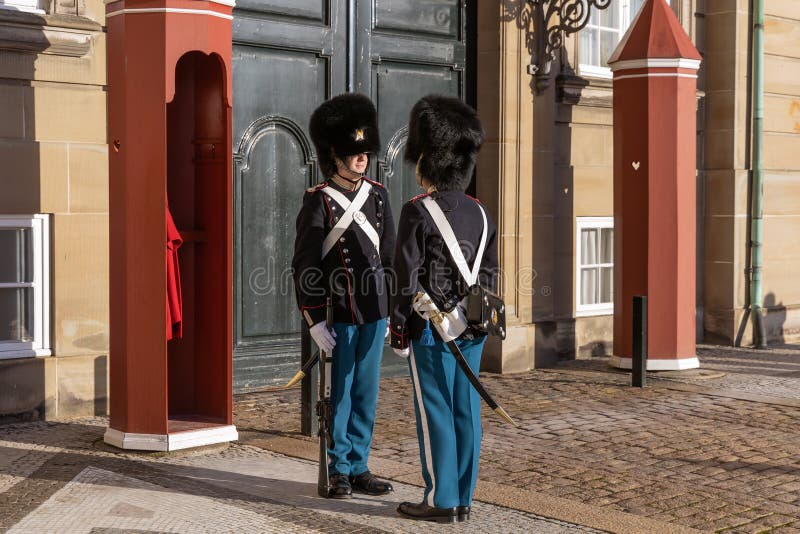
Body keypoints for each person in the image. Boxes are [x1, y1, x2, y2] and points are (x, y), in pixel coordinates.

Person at [389, 95, 498, 523]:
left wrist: (399, 329)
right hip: (470, 328)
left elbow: (405, 276)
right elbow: (488, 275)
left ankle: (440, 499)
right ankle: (464, 496)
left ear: (429, 163)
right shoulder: (482, 213)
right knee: (466, 413)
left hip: (431, 330)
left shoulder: (418, 212)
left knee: (435, 411)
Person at [292, 93, 396, 499]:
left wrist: (391, 312)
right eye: (353, 153)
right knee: (339, 391)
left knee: (366, 390)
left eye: (364, 151)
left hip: (373, 311)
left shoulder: (379, 195)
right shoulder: (317, 200)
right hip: (338, 314)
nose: (361, 158)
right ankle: (337, 468)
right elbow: (305, 264)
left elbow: (388, 257)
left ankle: (359, 466)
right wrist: (315, 318)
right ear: (334, 154)